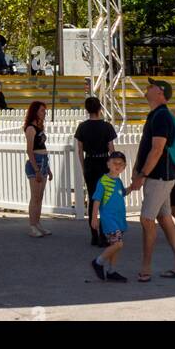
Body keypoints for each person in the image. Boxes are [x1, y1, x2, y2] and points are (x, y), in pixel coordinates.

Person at [127, 79, 175, 282]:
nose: (147, 87)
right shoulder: (157, 115)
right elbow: (147, 147)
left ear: (160, 93)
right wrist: (138, 169)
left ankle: (146, 268)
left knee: (146, 219)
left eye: (152, 86)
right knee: (164, 219)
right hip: (161, 176)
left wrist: (142, 174)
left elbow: (157, 149)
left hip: (159, 177)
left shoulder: (161, 115)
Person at [75, 95, 117, 247]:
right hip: (103, 163)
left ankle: (94, 235)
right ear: (100, 108)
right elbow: (111, 149)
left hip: (90, 163)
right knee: (105, 199)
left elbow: (79, 150)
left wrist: (83, 166)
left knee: (93, 199)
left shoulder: (82, 127)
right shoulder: (107, 127)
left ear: (87, 110)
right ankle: (104, 235)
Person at [90, 151, 129, 282]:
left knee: (115, 246)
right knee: (118, 244)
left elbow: (122, 193)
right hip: (109, 219)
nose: (117, 166)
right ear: (108, 164)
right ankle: (98, 262)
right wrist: (94, 217)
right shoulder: (103, 181)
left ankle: (112, 271)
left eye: (121, 164)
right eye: (114, 163)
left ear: (124, 167)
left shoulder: (118, 181)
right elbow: (96, 200)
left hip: (119, 219)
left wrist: (133, 187)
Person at [23, 100, 51, 237]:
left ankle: (38, 223)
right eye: (42, 111)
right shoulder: (30, 128)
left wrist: (48, 169)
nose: (44, 113)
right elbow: (29, 151)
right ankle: (32, 226)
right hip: (36, 164)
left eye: (45, 111)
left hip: (44, 162)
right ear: (35, 112)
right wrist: (37, 170)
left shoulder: (40, 127)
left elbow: (43, 147)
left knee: (40, 197)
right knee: (35, 197)